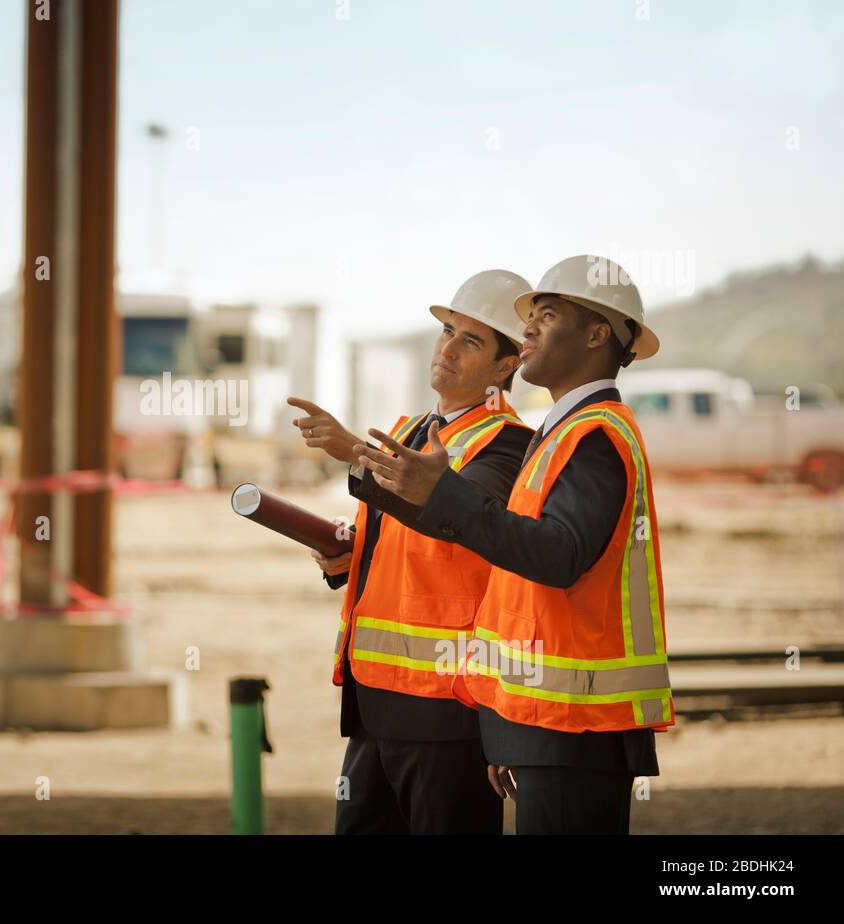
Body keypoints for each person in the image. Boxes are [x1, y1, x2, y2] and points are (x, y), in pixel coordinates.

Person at [355, 255, 673, 834]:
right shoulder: (561, 431)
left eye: (547, 316)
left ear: (598, 334)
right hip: (546, 723)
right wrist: (506, 726)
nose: (529, 328)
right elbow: (519, 576)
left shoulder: (595, 435)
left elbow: (556, 557)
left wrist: (444, 494)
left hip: (578, 728)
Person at [288, 269, 533, 834]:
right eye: (448, 330)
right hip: (375, 700)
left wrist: (355, 452)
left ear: (506, 366)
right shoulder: (413, 430)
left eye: (471, 340)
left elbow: (459, 521)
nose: (447, 347)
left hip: (447, 710)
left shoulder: (509, 443)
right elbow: (406, 539)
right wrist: (346, 558)